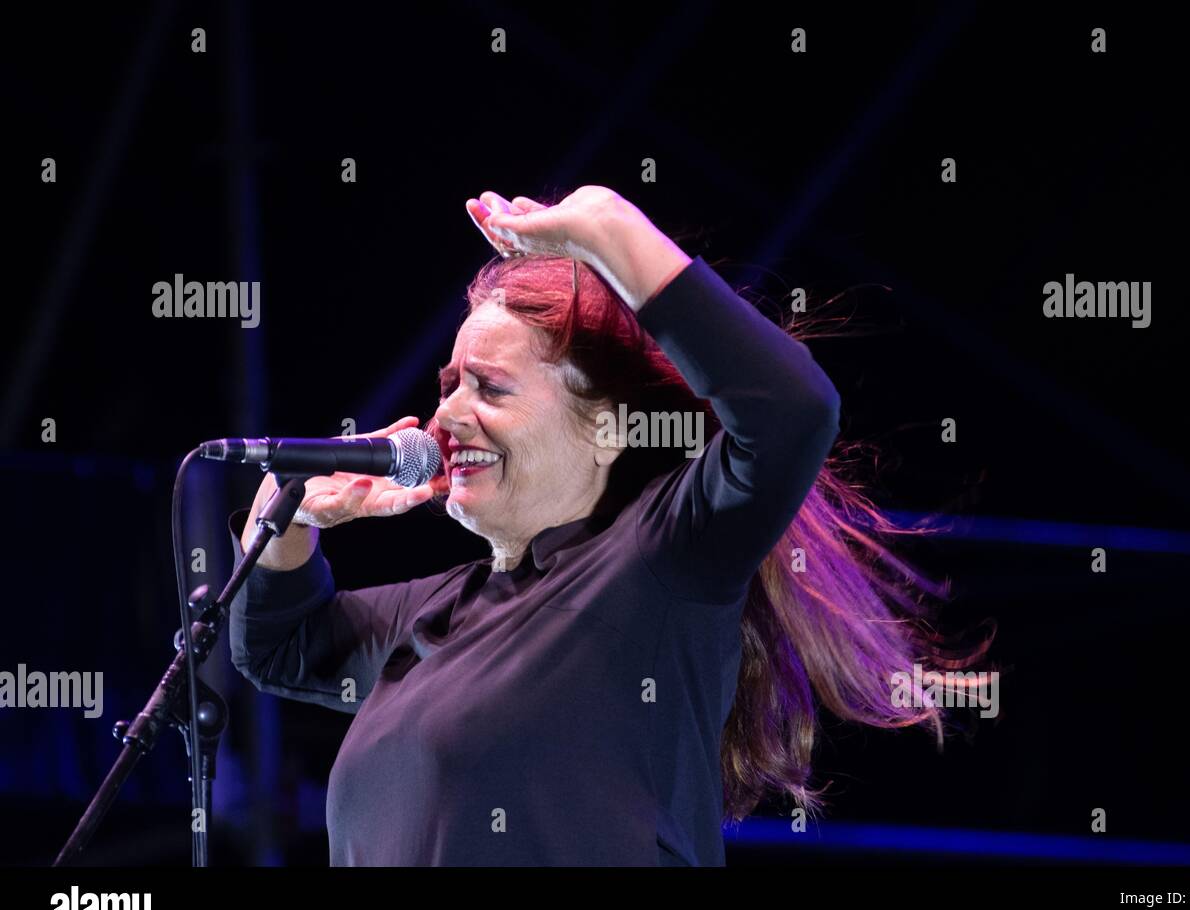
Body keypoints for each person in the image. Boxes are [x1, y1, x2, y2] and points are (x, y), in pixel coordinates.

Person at [226, 185, 990, 866]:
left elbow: (791, 414)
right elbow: (281, 645)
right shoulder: (436, 613)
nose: (449, 414)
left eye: (490, 388)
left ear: (609, 429)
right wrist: (286, 512)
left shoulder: (657, 562)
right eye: (449, 385)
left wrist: (609, 230)